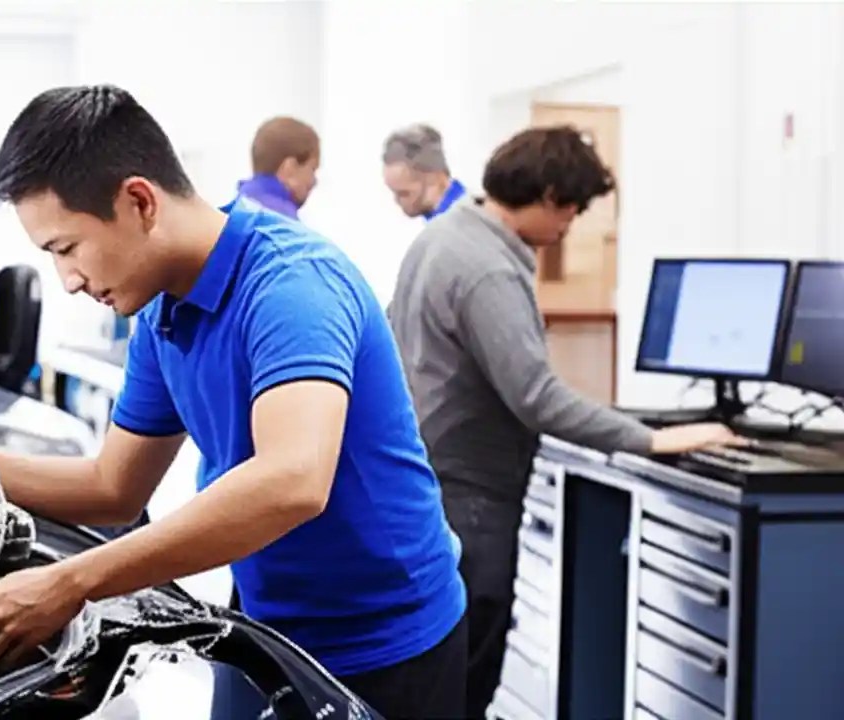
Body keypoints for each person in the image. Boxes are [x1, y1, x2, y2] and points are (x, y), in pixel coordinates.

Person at [0, 84, 468, 719]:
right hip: (267, 626)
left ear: (140, 201)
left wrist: (72, 583)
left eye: (67, 248)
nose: (69, 280)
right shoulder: (162, 312)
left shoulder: (291, 283)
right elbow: (112, 486)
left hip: (388, 644)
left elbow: (293, 481)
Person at [386, 125, 748, 718]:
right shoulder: (489, 269)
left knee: (444, 674)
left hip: (433, 480)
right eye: (572, 213)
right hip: (470, 497)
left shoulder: (445, 236)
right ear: (550, 195)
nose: (566, 230)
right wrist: (653, 438)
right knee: (466, 680)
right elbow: (537, 398)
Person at [233, 116, 320, 220]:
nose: (314, 181)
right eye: (312, 169)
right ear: (289, 168)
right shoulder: (282, 224)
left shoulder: (233, 211)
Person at [381, 123, 467, 220]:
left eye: (404, 193)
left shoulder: (463, 224)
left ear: (433, 179)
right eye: (394, 192)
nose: (397, 201)